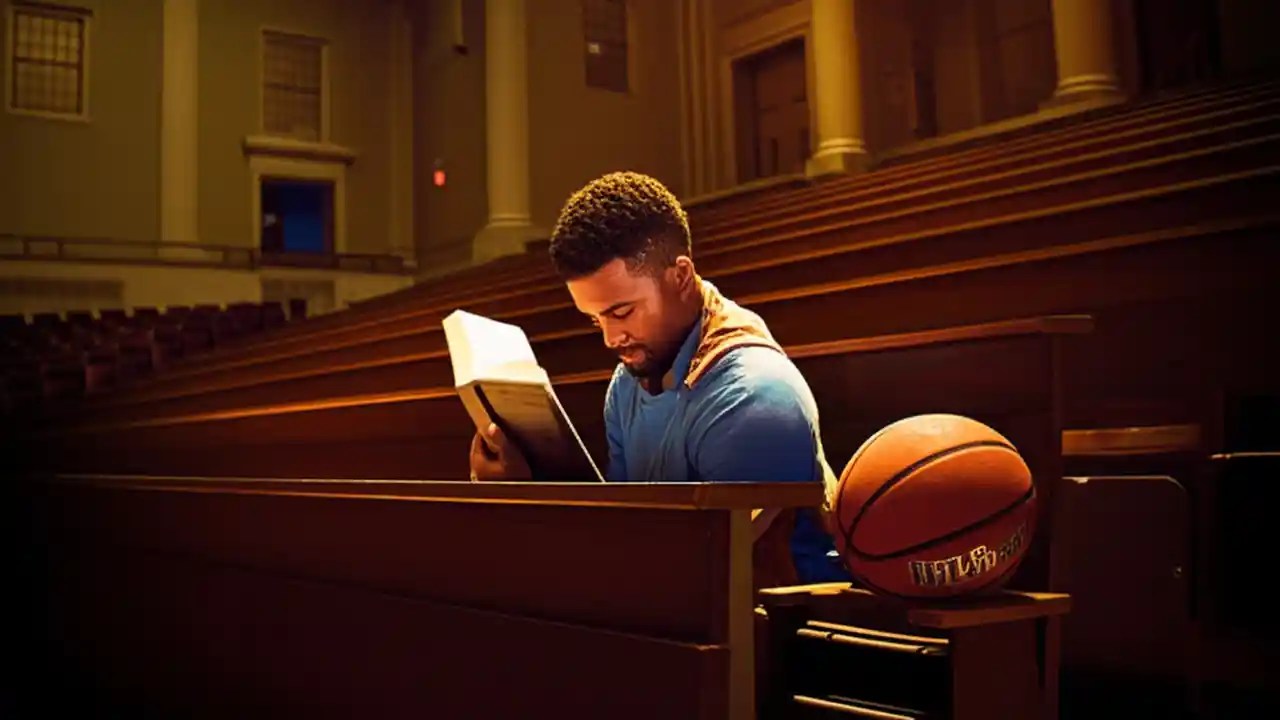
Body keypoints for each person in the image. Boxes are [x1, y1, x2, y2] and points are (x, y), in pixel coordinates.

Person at [469, 170, 849, 584]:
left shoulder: (754, 395)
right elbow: (629, 531)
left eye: (622, 312)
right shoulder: (628, 380)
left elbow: (716, 581)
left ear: (681, 275)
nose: (611, 338)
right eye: (595, 320)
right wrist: (524, 490)